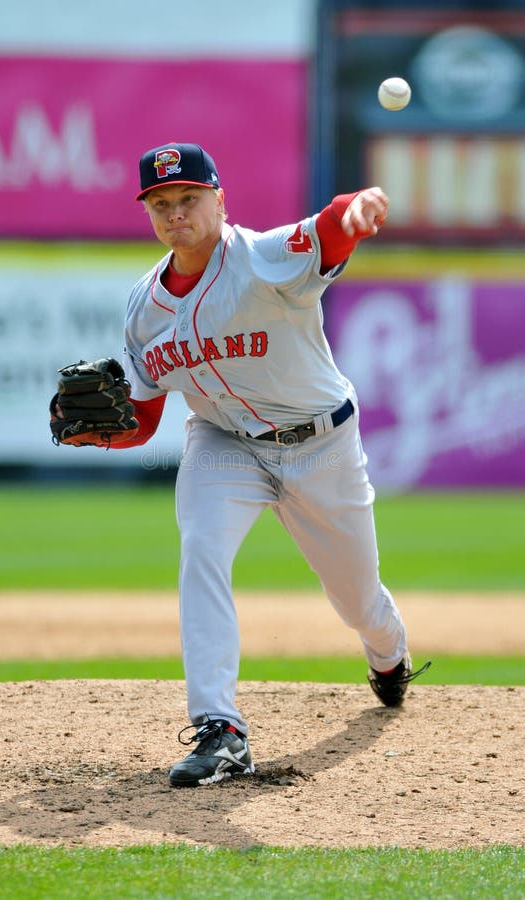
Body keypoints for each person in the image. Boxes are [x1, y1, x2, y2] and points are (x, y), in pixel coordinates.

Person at [55, 142, 430, 788]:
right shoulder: (144, 308)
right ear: (148, 212)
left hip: (321, 445)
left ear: (219, 201)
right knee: (202, 547)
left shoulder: (260, 257)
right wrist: (93, 431)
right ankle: (219, 729)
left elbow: (325, 230)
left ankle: (388, 655)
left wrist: (356, 207)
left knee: (357, 598)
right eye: (161, 204)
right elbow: (141, 420)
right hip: (224, 443)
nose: (176, 213)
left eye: (189, 198)